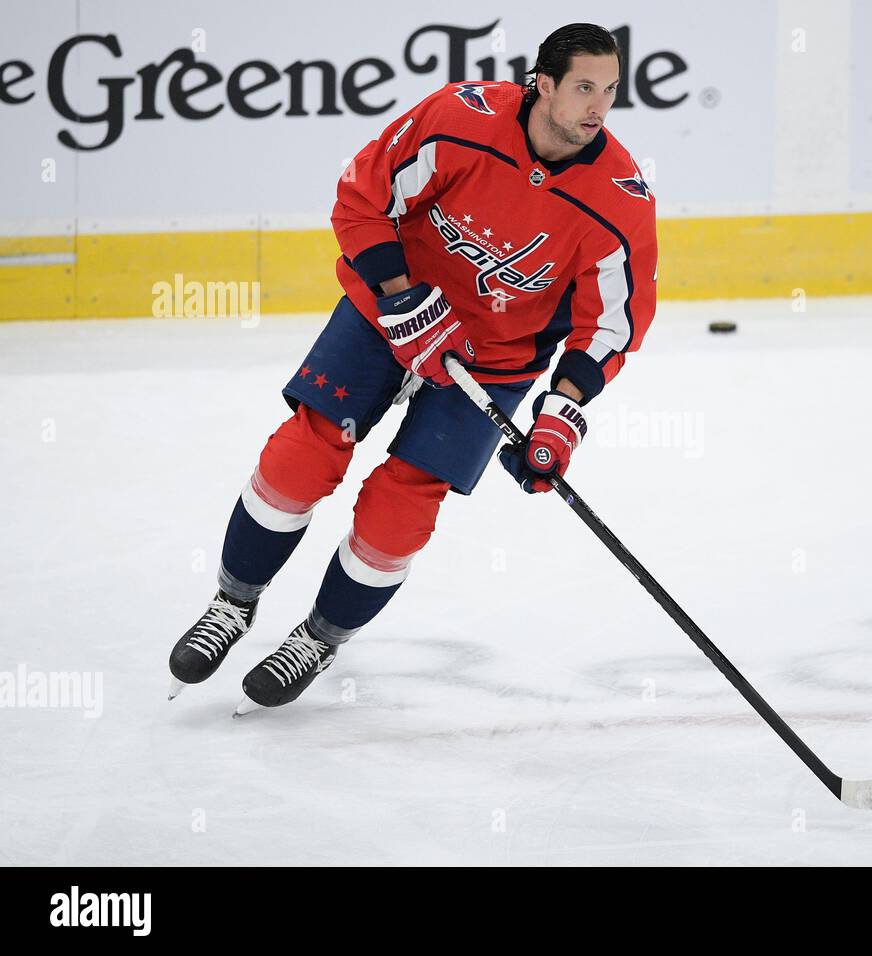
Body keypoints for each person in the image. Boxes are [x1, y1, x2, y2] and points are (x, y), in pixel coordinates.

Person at [167, 22, 657, 713]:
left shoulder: (620, 198)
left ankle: (319, 635)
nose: (597, 106)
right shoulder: (460, 118)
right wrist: (402, 299)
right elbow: (363, 198)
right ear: (541, 84)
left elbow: (610, 324)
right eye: (583, 87)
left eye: (608, 90)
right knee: (307, 451)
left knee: (404, 505)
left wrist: (562, 414)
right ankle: (233, 604)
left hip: (494, 359)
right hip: (387, 314)